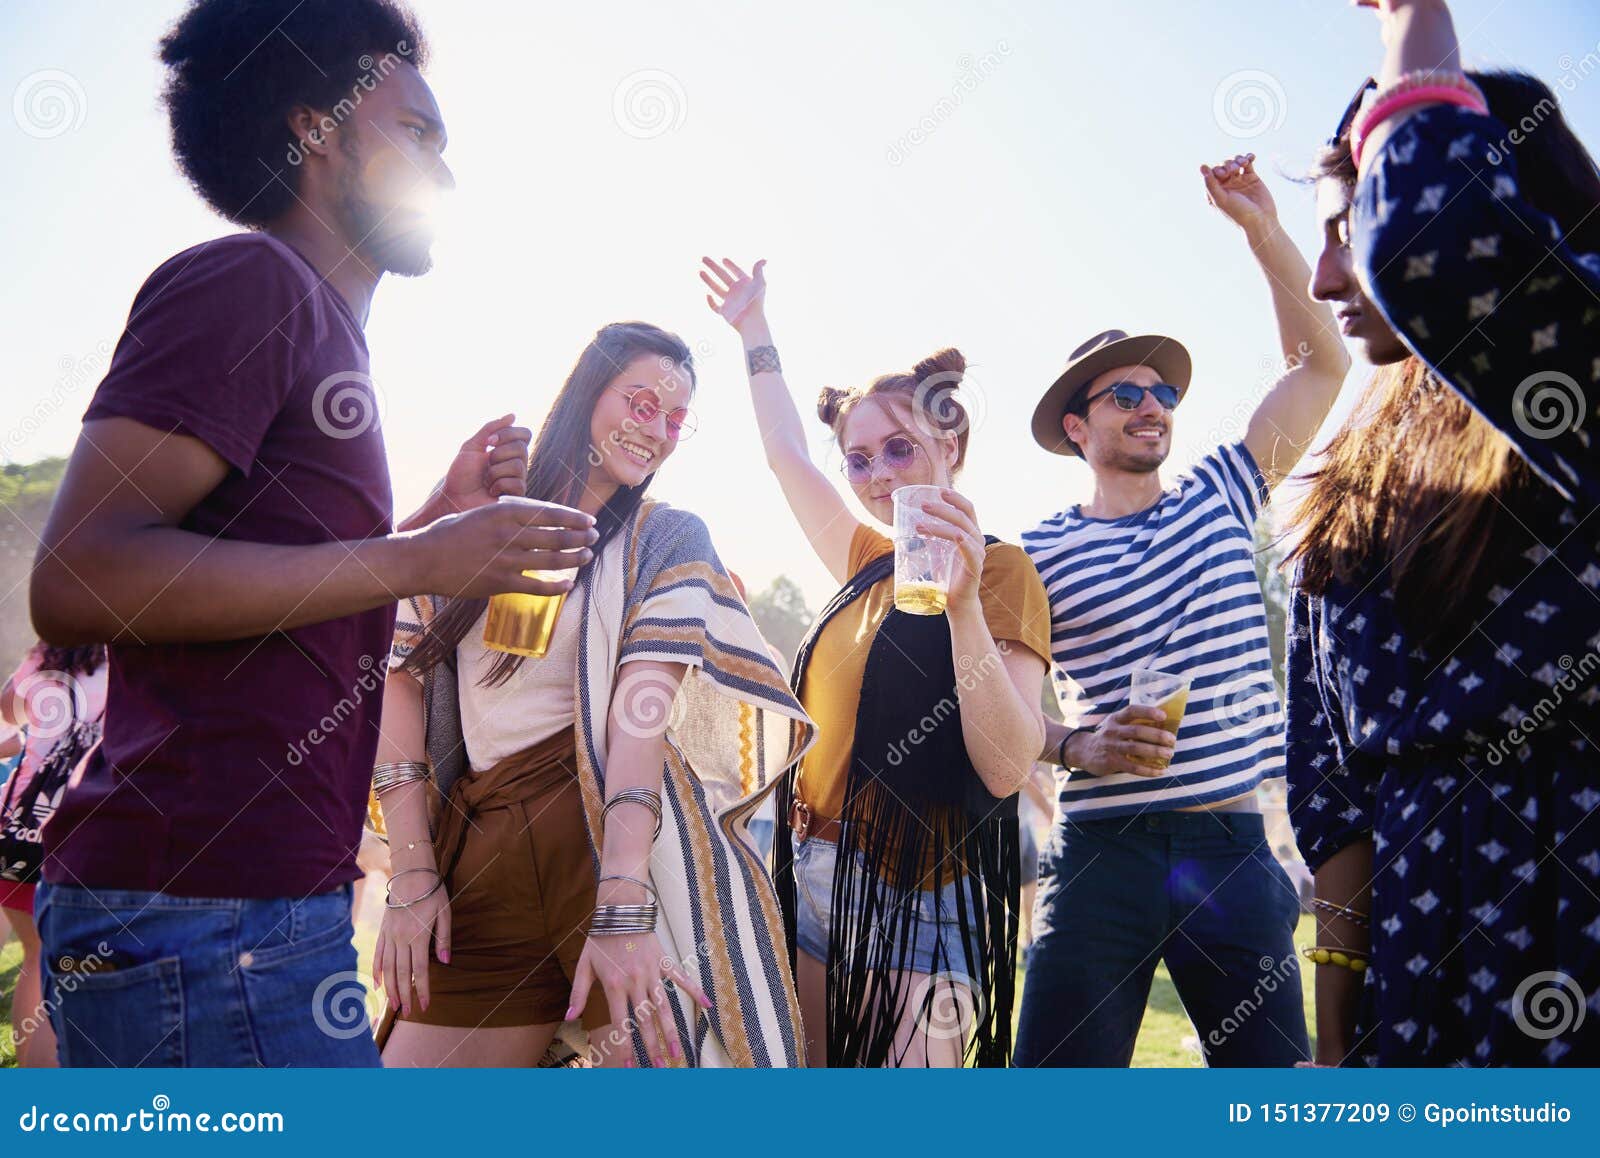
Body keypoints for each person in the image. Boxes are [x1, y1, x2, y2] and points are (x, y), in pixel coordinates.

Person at [29, 0, 597, 1068]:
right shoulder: (252, 283)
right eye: (417, 134)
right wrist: (421, 557)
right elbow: (80, 576)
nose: (447, 172)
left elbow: (277, 588)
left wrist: (425, 519)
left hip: (251, 908)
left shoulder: (319, 326)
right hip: (203, 913)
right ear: (320, 131)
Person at [1285, 0, 1600, 1066]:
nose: (1332, 276)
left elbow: (1434, 249)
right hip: (1411, 990)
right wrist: (1333, 1062)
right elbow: (1333, 803)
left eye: (1348, 230)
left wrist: (1412, 29)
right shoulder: (1344, 493)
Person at [375, 321, 817, 1068]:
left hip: (605, 843)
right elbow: (397, 671)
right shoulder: (479, 519)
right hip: (484, 849)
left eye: (675, 420)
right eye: (641, 402)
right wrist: (413, 874)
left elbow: (638, 720)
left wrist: (620, 905)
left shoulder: (664, 537)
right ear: (588, 392)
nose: (658, 431)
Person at [1013, 152, 1353, 1067]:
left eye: (1161, 393)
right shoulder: (1032, 554)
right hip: (1101, 853)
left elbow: (1323, 363)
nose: (1151, 406)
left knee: (1271, 1103)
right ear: (1076, 429)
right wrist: (1072, 744)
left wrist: (1262, 232)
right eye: (1124, 394)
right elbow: (997, 707)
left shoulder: (1222, 490)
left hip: (1231, 845)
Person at [702, 257, 1053, 1067]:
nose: (878, 476)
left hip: (927, 888)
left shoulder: (1002, 572)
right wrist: (755, 330)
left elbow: (1006, 768)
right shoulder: (865, 560)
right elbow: (787, 453)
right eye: (858, 460)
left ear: (950, 443)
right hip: (811, 868)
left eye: (899, 449)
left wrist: (963, 606)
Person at [0, 643, 107, 1068]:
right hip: (81, 841)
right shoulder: (135, 661)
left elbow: (9, 710)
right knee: (62, 973)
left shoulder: (49, 656)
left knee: (35, 959)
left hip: (18, 831)